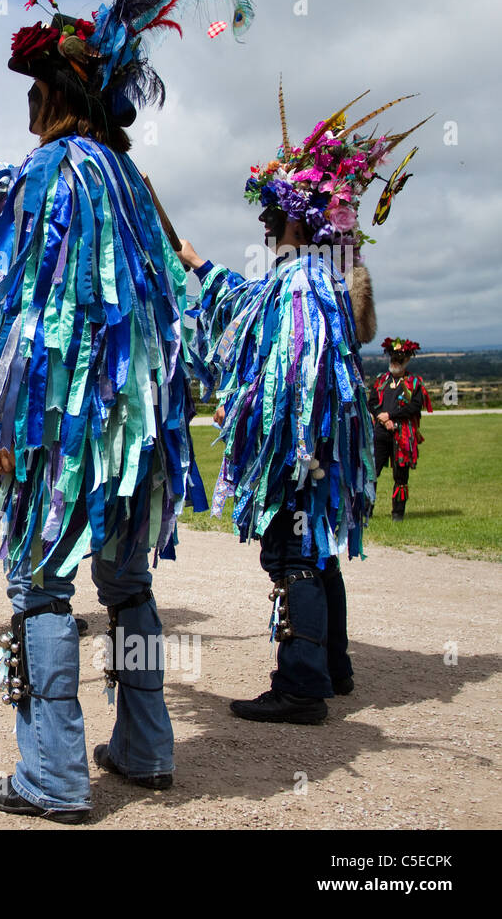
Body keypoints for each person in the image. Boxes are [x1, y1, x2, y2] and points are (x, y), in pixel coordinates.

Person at [0, 0, 246, 822]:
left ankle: (52, 778)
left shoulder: (56, 171)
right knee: (128, 587)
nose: (27, 109)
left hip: (63, 433)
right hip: (137, 430)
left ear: (56, 96)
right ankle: (146, 749)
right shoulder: (128, 182)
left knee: (40, 591)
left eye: (33, 93)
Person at [178, 86, 428, 721]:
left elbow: (286, 366)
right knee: (313, 547)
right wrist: (200, 263)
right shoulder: (311, 277)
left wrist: (271, 437)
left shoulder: (302, 282)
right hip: (313, 445)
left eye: (274, 212)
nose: (264, 223)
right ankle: (333, 668)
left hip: (297, 445)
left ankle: (301, 686)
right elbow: (247, 305)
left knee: (293, 555)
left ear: (302, 218)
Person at [369, 336, 432, 521]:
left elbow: (414, 407)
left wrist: (392, 416)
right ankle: (366, 510)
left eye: (399, 360)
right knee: (371, 472)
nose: (395, 363)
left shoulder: (413, 383)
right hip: (381, 432)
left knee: (400, 476)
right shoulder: (381, 381)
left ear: (406, 361)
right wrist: (382, 417)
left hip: (402, 434)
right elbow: (372, 402)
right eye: (393, 360)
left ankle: (398, 513)